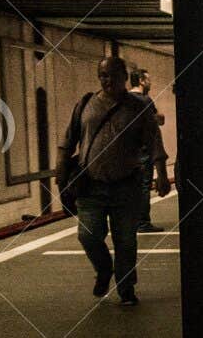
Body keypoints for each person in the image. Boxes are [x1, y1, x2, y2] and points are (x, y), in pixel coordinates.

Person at [56, 56, 163, 307]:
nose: (108, 81)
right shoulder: (85, 104)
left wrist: (160, 173)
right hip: (91, 185)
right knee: (88, 235)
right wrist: (60, 172)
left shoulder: (138, 108)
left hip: (127, 185)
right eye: (103, 75)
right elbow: (68, 140)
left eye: (113, 75)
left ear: (124, 77)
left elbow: (153, 140)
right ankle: (104, 269)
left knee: (125, 240)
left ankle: (126, 288)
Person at [129, 68, 168, 232]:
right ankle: (143, 222)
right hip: (143, 152)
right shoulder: (144, 100)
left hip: (128, 153)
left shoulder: (125, 99)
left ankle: (131, 220)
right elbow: (159, 120)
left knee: (131, 188)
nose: (150, 83)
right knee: (144, 186)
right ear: (141, 81)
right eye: (148, 80)